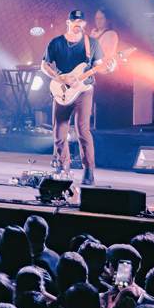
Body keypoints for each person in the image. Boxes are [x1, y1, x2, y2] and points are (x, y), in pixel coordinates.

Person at [41, 10, 102, 185]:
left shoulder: (92, 43)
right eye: (75, 22)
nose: (78, 25)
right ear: (68, 22)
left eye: (81, 22)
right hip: (62, 91)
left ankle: (88, 170)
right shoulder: (56, 43)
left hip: (84, 90)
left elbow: (99, 66)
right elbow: (44, 65)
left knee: (83, 130)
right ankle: (62, 168)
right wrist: (58, 78)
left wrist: (109, 67)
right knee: (59, 131)